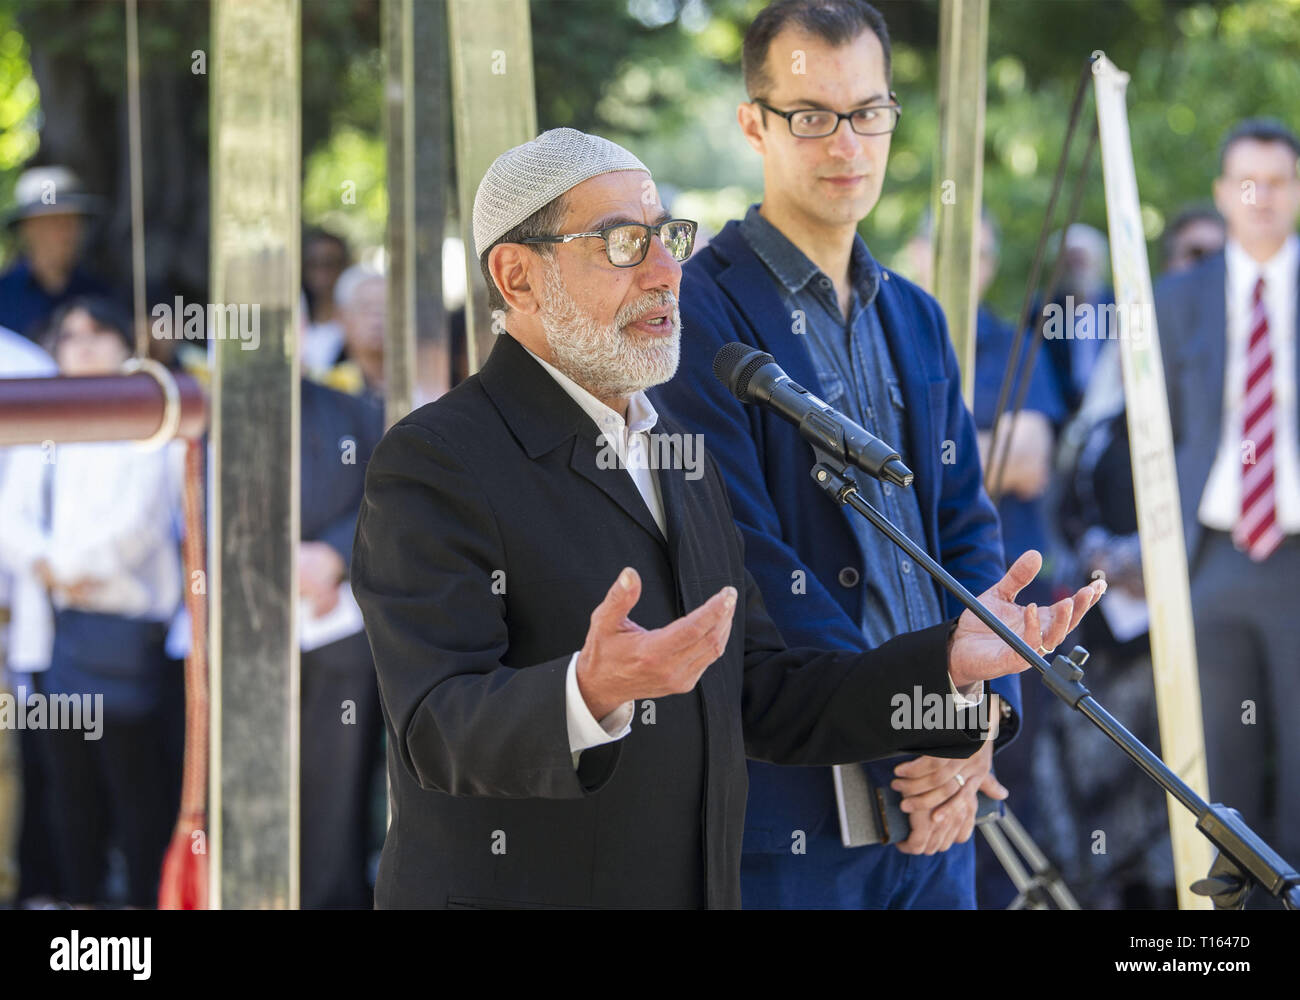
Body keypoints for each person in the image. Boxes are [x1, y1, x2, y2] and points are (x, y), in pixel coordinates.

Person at [350, 126, 1104, 909]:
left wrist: (945, 662)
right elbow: (435, 724)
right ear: (517, 275)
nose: (667, 271)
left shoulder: (680, 455)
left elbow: (766, 694)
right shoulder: (436, 460)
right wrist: (588, 689)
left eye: (669, 238)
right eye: (622, 244)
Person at [653, 0, 1021, 909]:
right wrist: (915, 727)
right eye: (811, 117)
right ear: (754, 123)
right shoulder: (698, 312)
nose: (846, 144)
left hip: (941, 806)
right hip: (795, 807)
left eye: (869, 114)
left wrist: (974, 729)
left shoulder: (918, 315)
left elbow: (967, 530)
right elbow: (746, 556)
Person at [1155, 118, 1300, 895]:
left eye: (1278, 181)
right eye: (1247, 182)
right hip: (1209, 558)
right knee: (1221, 768)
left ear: (1298, 190)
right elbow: (1162, 432)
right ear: (1223, 193)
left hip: (1299, 559)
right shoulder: (1179, 298)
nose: (1263, 197)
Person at [0, 296, 184, 907]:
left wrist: (69, 569)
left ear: (121, 341)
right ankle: (78, 915)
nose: (81, 344)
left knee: (137, 797)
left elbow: (142, 521)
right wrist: (47, 568)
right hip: (51, 637)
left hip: (124, 638)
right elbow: (11, 516)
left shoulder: (146, 413)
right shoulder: (42, 417)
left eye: (95, 332)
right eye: (69, 334)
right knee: (67, 793)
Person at [298, 378, 386, 908]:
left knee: (336, 788)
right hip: (240, 622)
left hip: (337, 626)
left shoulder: (354, 411)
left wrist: (333, 556)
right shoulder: (205, 410)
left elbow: (390, 491)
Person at [0, 167, 110, 343]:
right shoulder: (4, 296)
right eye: (55, 221)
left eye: (73, 221)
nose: (67, 232)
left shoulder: (101, 295)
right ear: (27, 229)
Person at [319, 266, 385, 401]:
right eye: (366, 308)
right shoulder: (328, 385)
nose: (377, 320)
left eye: (385, 309)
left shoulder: (417, 383)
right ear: (341, 316)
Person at [301, 228, 351, 374]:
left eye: (330, 264)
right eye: (313, 264)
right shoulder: (296, 319)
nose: (322, 274)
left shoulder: (356, 324)